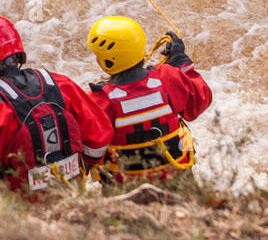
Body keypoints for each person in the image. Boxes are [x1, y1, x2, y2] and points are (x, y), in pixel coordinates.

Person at [0, 16, 112, 198]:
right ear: (17, 48)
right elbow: (98, 140)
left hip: (21, 217)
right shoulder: (62, 85)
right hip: (73, 201)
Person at [85, 16, 213, 182]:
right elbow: (200, 100)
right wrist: (181, 62)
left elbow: (90, 152)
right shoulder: (168, 77)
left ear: (108, 61)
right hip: (179, 181)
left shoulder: (99, 100)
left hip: (125, 188)